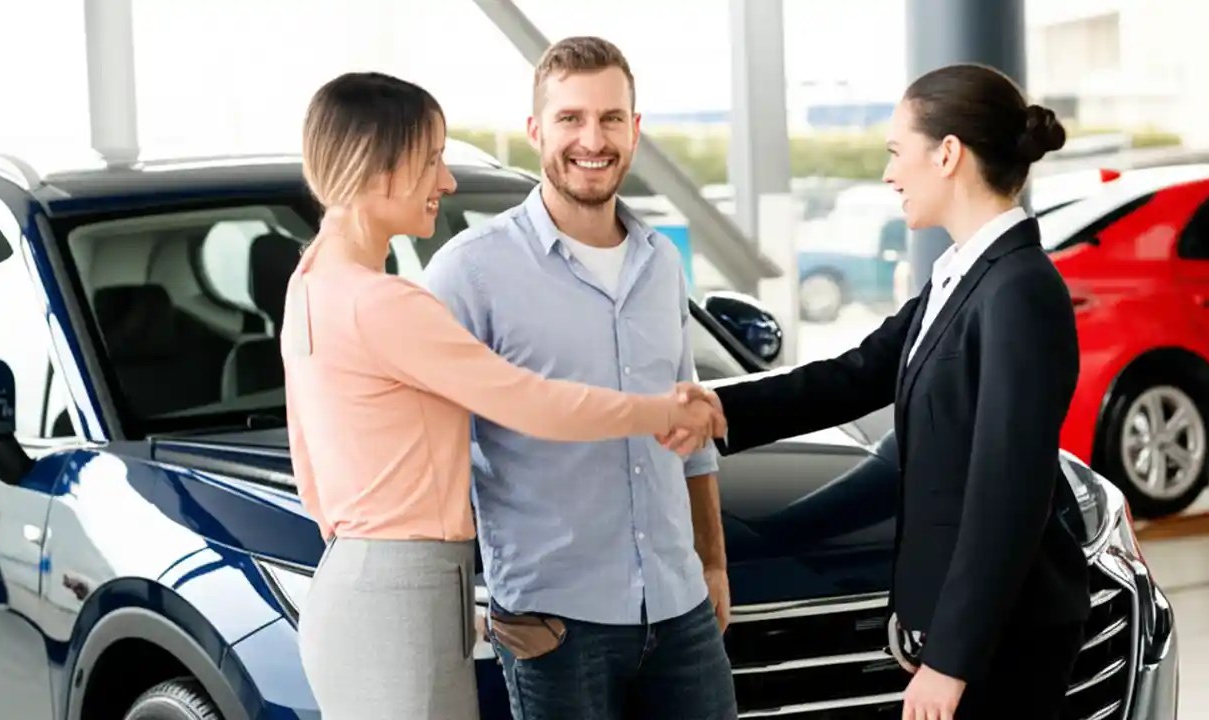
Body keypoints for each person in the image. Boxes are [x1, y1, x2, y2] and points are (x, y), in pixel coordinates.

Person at [283, 71, 721, 720]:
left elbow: (308, 466)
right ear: (381, 167)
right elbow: (529, 403)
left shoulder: (312, 283)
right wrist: (662, 410)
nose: (446, 181)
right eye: (432, 159)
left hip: (359, 581)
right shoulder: (386, 304)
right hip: (403, 593)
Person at [676, 63, 1090, 720]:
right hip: (968, 637)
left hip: (1005, 645)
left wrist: (952, 659)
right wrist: (720, 408)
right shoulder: (964, 274)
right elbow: (858, 373)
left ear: (948, 154)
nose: (889, 173)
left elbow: (1007, 495)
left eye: (898, 152)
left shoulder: (1020, 292)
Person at [422, 36, 737, 720]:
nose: (592, 139)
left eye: (611, 118)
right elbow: (432, 451)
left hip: (680, 610)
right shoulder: (468, 272)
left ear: (635, 129)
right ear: (536, 130)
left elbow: (692, 437)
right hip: (555, 624)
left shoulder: (661, 263)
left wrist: (711, 563)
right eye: (570, 118)